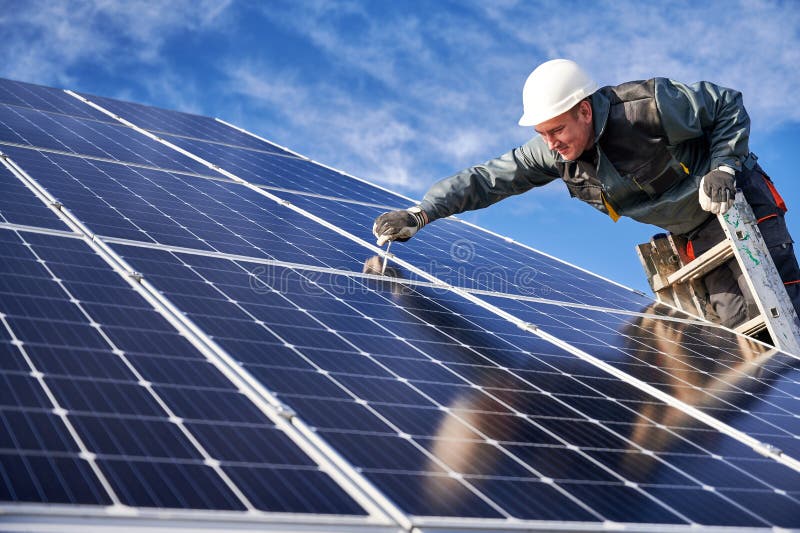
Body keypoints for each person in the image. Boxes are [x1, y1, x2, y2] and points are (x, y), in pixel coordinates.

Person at [372, 59, 800, 329]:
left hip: (733, 205)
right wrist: (422, 212)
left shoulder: (647, 106)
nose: (551, 142)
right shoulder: (554, 154)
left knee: (782, 309)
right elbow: (487, 179)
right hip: (693, 234)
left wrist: (724, 165)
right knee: (743, 333)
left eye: (557, 129)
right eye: (542, 133)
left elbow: (726, 104)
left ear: (584, 109)